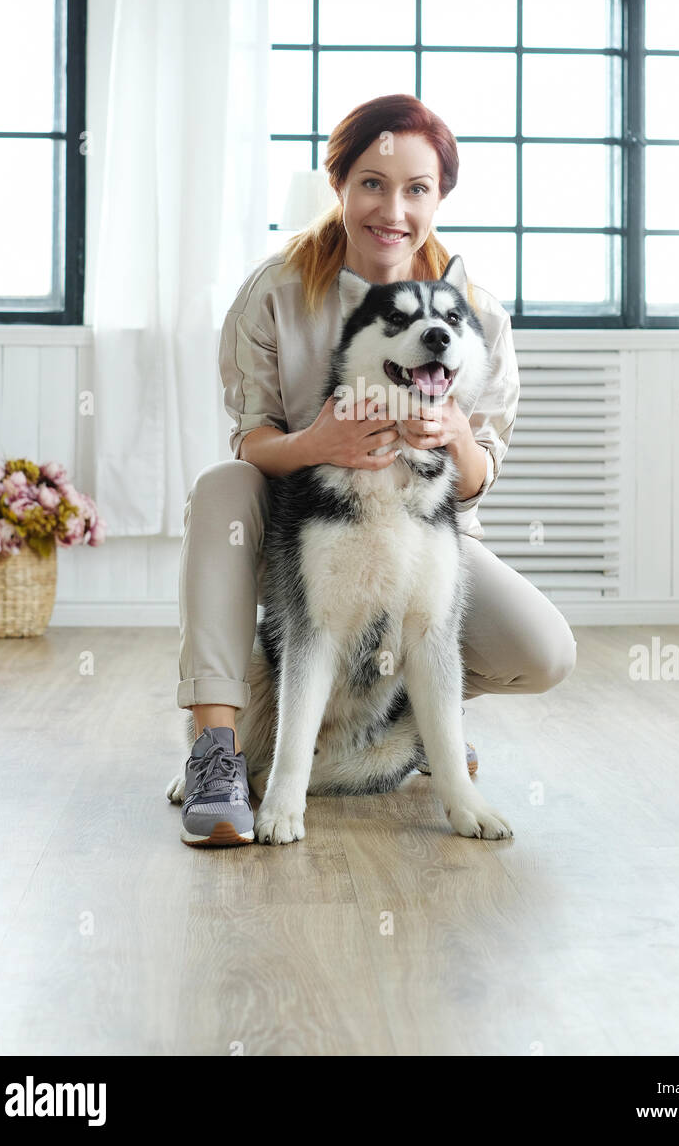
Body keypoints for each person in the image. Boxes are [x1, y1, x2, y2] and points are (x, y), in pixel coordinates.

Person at [175, 94, 577, 846]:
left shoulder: (472, 314)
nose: (392, 208)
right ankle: (217, 753)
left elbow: (483, 470)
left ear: (439, 197)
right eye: (371, 182)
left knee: (545, 651)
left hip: (426, 531)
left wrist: (457, 433)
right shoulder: (277, 292)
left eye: (416, 188)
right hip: (301, 527)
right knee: (220, 491)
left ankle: (410, 724)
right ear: (340, 183)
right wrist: (315, 444)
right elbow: (251, 437)